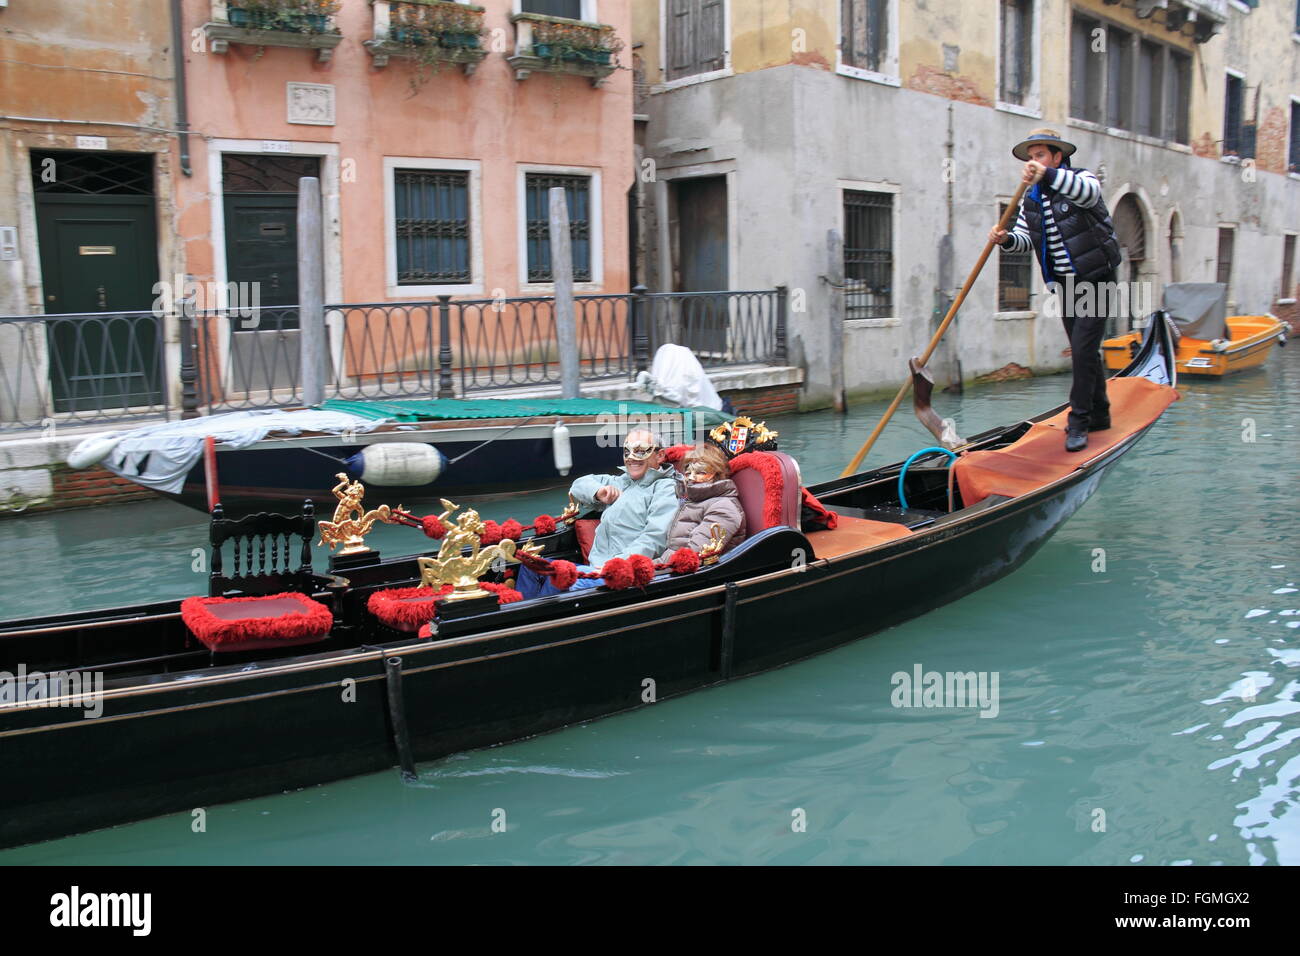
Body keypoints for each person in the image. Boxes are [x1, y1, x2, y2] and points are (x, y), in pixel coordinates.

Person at [989, 127, 1122, 453]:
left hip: (1097, 277)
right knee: (1084, 351)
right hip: (1065, 284)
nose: (1033, 163)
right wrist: (1005, 239)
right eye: (1031, 158)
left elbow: (1088, 195)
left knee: (1082, 350)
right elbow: (1025, 240)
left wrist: (1046, 174)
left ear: (1057, 157)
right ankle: (1101, 413)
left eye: (1040, 156)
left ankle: (1078, 422)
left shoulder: (1081, 179)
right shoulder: (1031, 200)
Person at [516, 427, 678, 599]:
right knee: (530, 565)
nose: (630, 457)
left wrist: (616, 564)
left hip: (621, 572)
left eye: (640, 451)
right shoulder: (620, 481)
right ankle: (518, 614)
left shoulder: (665, 488)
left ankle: (539, 622)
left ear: (659, 456)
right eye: (627, 451)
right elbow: (579, 484)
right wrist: (599, 492)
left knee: (558, 576)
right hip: (595, 569)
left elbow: (654, 538)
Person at [659, 444, 746, 560]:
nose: (691, 478)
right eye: (688, 473)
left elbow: (694, 556)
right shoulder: (692, 500)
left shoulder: (723, 507)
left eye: (700, 472)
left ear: (717, 474)